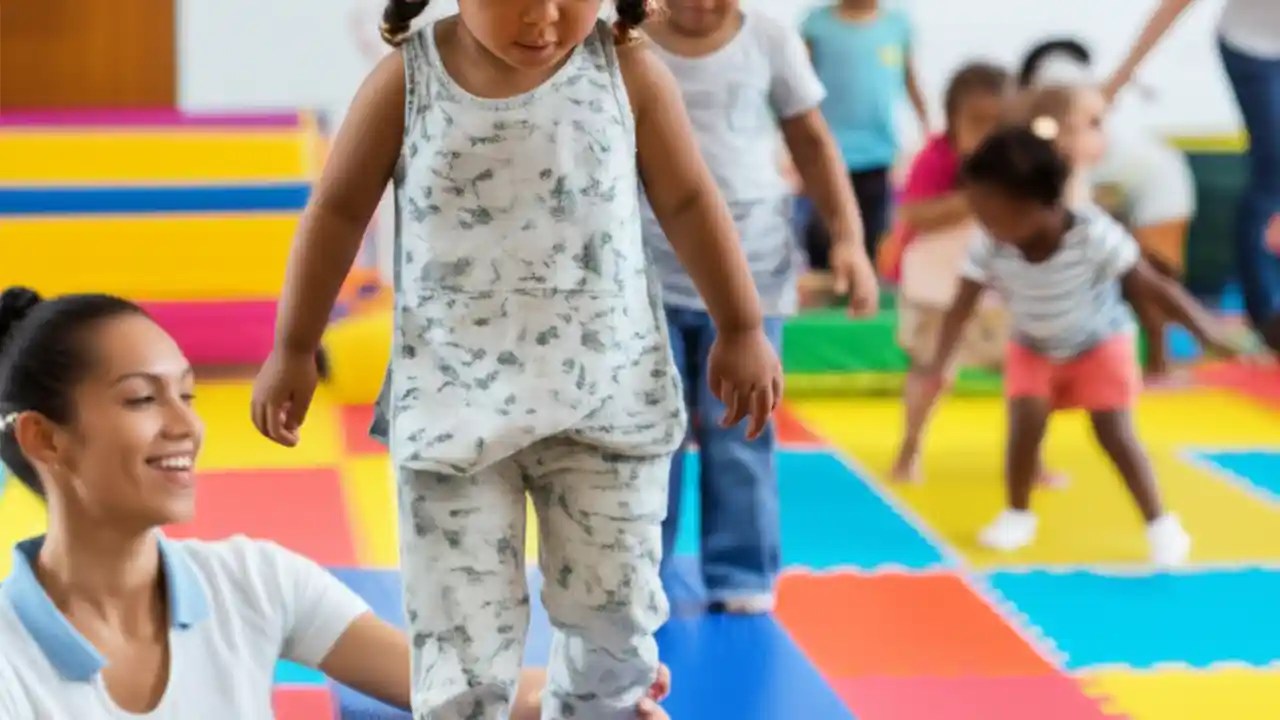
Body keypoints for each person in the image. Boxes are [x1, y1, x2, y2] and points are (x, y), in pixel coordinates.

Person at [249, 0, 784, 717]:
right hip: (452, 413)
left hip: (605, 406)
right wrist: (294, 346)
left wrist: (742, 325)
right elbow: (338, 210)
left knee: (614, 618)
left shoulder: (628, 73)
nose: (545, 18)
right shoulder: (407, 82)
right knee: (458, 634)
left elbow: (687, 199)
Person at [0, 288, 671, 719]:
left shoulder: (251, 581)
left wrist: (600, 696)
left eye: (189, 394)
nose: (187, 426)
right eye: (143, 399)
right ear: (44, 439)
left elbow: (450, 691)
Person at [641, 0, 878, 613]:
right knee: (647, 433)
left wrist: (849, 241)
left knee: (740, 426)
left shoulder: (769, 40)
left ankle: (741, 572)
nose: (696, 7)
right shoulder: (628, 36)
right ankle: (639, 578)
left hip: (753, 267)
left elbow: (814, 144)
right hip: (645, 267)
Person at [923, 124, 1236, 566]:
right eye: (978, 210)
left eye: (993, 211)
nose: (984, 222)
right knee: (1024, 424)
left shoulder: (1091, 232)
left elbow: (1151, 287)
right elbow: (961, 305)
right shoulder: (991, 245)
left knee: (1114, 432)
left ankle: (1160, 522)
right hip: (1033, 345)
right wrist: (938, 363)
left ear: (1039, 203)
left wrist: (1205, 328)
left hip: (1098, 343)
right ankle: (1018, 513)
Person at [1105, 0, 1279, 355]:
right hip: (1253, 48)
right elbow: (1173, 6)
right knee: (1272, 167)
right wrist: (1120, 77)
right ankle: (1267, 313)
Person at [1021, 36, 1198, 377]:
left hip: (1162, 194)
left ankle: (1160, 362)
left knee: (1144, 283)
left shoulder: (1077, 128)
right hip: (1141, 194)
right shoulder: (1075, 120)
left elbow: (1077, 197)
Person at [885, 61, 1022, 483]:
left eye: (999, 124)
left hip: (995, 289)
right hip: (935, 285)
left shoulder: (1019, 159)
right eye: (976, 124)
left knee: (1027, 376)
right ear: (952, 123)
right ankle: (910, 448)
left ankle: (1029, 458)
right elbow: (914, 213)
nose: (988, 135)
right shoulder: (936, 156)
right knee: (929, 369)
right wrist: (973, 198)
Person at [800, 0, 931, 269]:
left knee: (875, 231)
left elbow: (910, 79)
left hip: (878, 152)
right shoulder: (817, 25)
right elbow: (797, 87)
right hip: (826, 150)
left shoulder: (897, 26)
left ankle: (865, 292)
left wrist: (927, 129)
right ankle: (828, 290)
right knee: (823, 233)